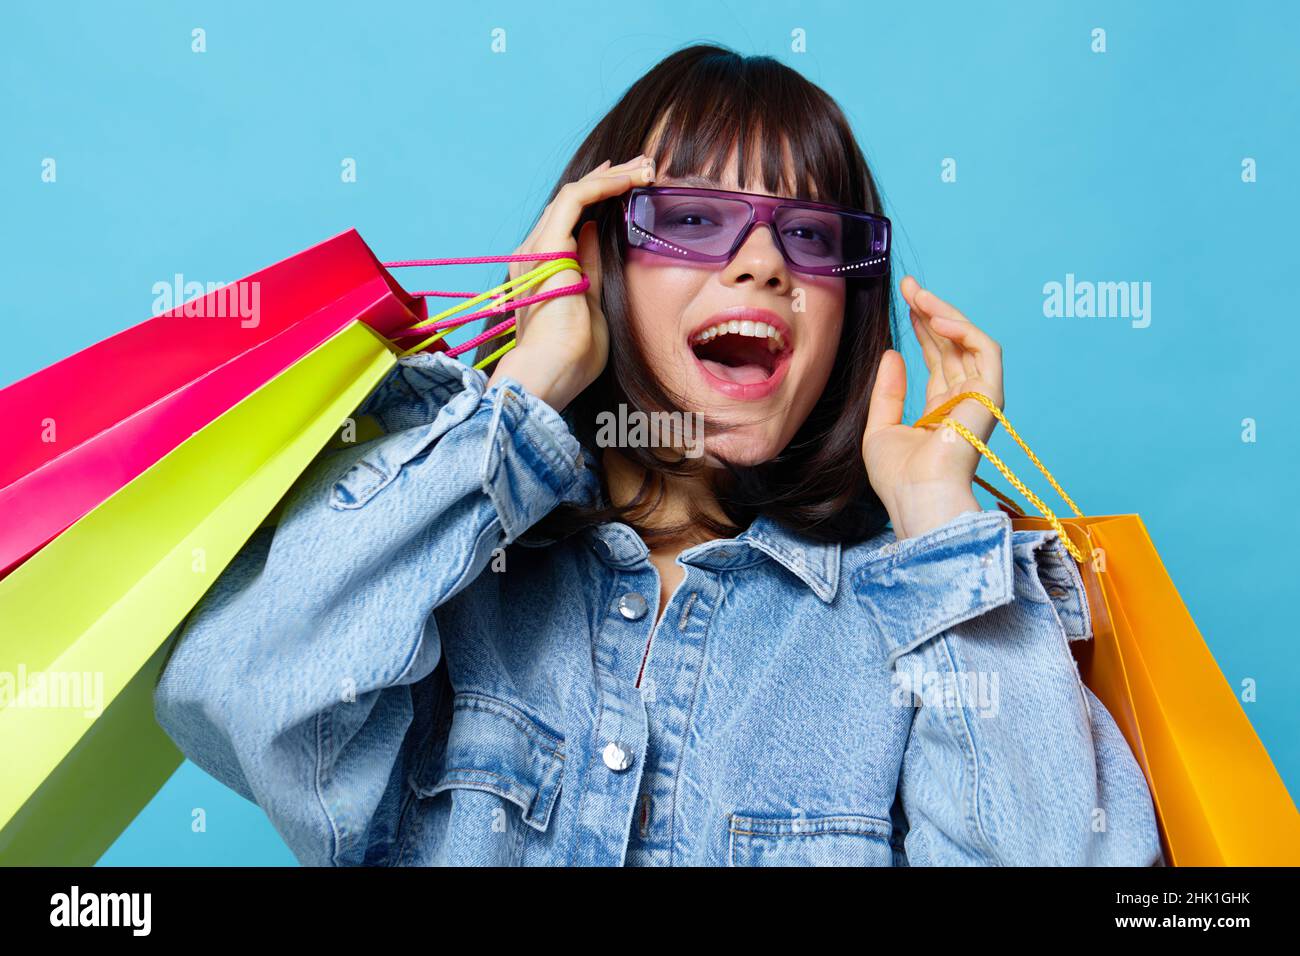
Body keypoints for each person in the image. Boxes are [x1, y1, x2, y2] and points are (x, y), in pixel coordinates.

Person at [153, 43, 1164, 867]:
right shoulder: (456, 578)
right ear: (592, 261)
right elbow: (248, 697)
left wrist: (940, 523)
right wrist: (529, 386)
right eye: (690, 220)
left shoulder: (911, 615)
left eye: (812, 237)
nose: (764, 262)